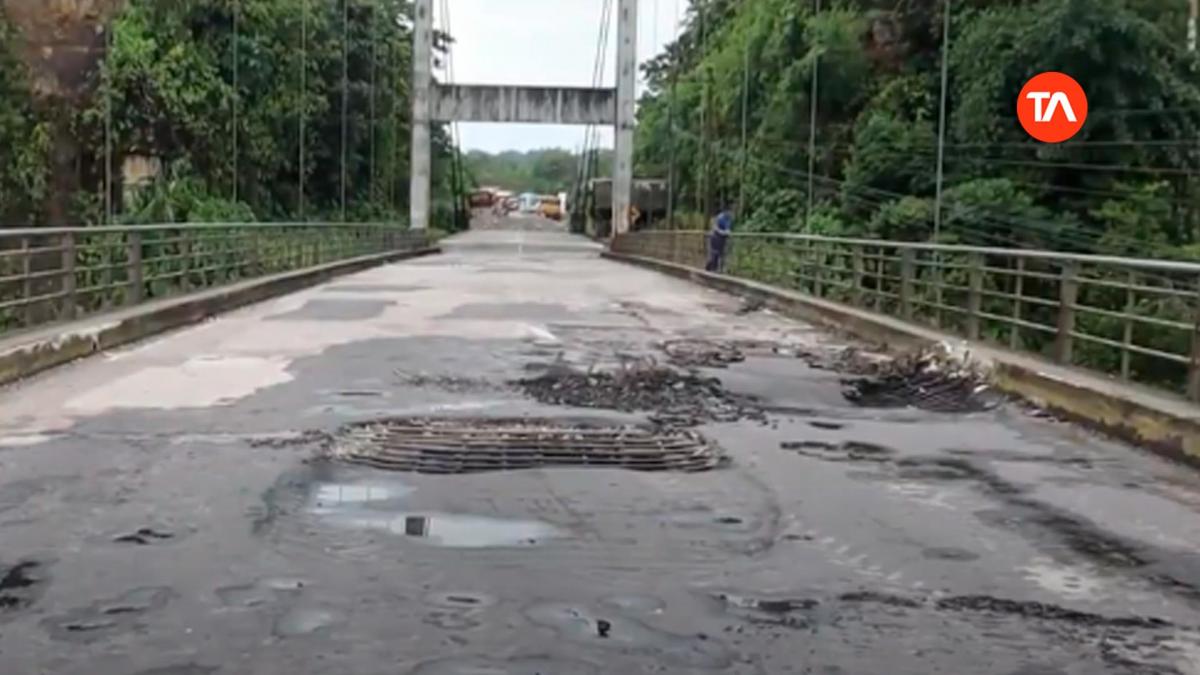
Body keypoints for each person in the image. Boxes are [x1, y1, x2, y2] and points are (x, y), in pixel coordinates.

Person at [706, 203, 735, 273]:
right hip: (716, 237)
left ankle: (721, 269)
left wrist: (727, 232)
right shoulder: (719, 217)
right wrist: (722, 232)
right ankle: (712, 268)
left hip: (723, 239)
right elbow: (714, 227)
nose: (730, 213)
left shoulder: (729, 218)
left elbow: (728, 228)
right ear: (725, 211)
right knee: (715, 254)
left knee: (723, 254)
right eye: (729, 212)